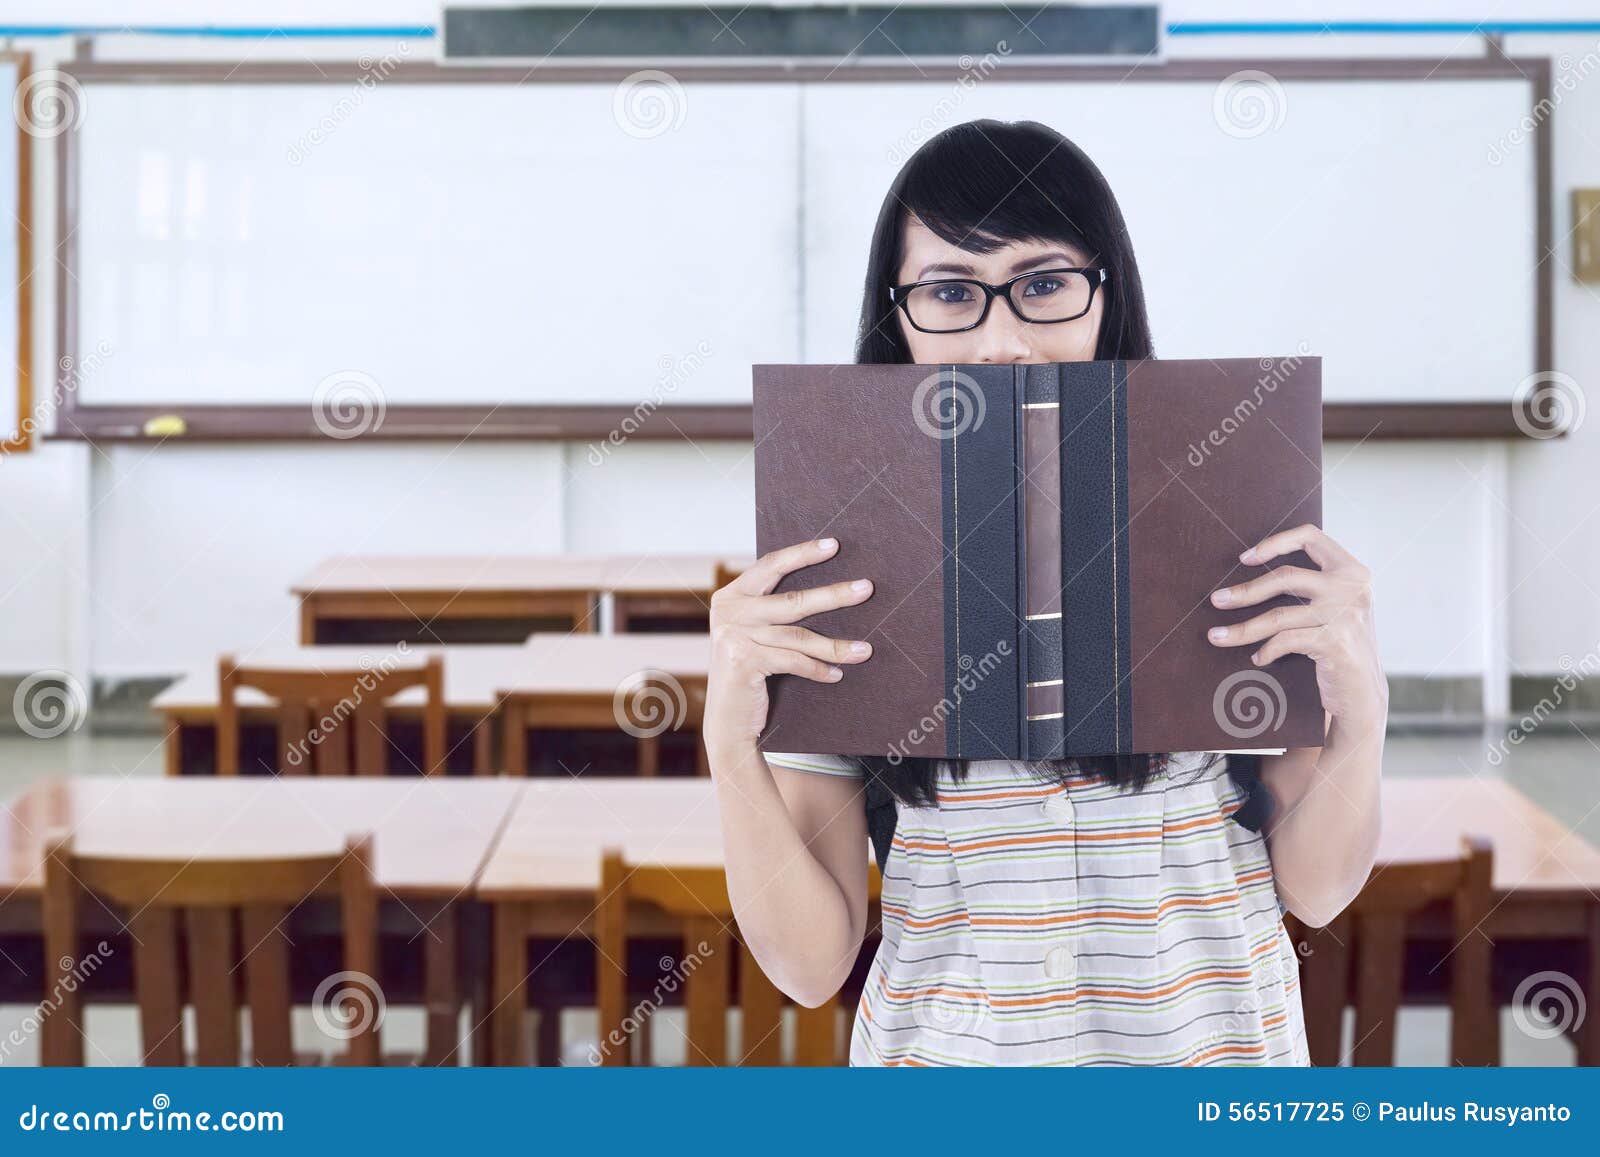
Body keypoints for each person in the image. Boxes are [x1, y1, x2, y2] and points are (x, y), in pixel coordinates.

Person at [704, 119, 1386, 1066]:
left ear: (1106, 293)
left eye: (1044, 285)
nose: (1004, 339)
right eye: (950, 292)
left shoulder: (1228, 508)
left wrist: (1364, 711)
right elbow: (811, 966)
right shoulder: (839, 556)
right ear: (895, 315)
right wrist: (728, 742)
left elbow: (1314, 888)